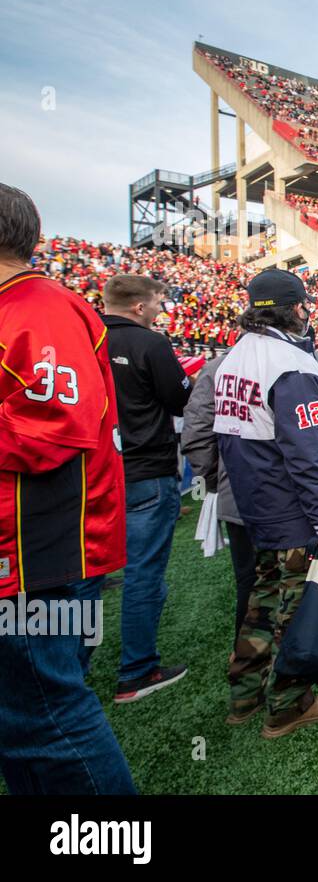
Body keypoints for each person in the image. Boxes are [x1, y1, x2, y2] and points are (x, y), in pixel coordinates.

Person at [0, 183, 135, 793]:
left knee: (46, 720)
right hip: (37, 548)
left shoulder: (36, 305)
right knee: (26, 723)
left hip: (38, 555)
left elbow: (59, 419)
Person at [214, 269, 318, 737]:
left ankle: (245, 694)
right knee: (297, 610)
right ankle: (287, 705)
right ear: (296, 308)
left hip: (255, 507)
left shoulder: (233, 358)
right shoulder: (290, 365)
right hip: (292, 512)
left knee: (261, 601)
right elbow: (308, 454)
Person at [182, 335, 318, 651]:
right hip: (299, 502)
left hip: (247, 498)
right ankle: (290, 684)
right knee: (302, 590)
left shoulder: (223, 364)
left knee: (255, 588)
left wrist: (223, 479)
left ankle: (252, 678)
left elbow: (197, 436)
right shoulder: (309, 362)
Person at [101, 273, 192, 702]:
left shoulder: (86, 336)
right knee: (144, 573)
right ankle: (136, 669)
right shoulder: (150, 343)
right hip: (146, 466)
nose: (161, 308)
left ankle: (69, 669)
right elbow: (179, 399)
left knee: (85, 573)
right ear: (139, 306)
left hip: (97, 470)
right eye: (158, 301)